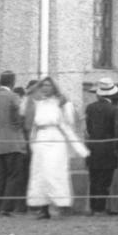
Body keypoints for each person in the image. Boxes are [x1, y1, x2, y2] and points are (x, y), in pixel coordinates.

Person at [23, 76, 87, 218]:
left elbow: (70, 122)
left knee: (55, 172)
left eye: (48, 85)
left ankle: (62, 206)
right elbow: (27, 104)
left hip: (56, 139)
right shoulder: (38, 103)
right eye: (43, 85)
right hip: (41, 139)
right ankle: (43, 208)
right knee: (40, 174)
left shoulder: (61, 102)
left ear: (54, 87)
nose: (46, 88)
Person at [0, 71, 29, 216]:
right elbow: (18, 119)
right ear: (13, 82)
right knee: (13, 175)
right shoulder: (14, 97)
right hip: (13, 142)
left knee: (0, 175)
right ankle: (6, 207)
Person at [83, 78, 118, 215]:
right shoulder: (114, 110)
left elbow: (88, 128)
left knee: (94, 177)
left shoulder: (90, 108)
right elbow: (116, 130)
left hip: (93, 145)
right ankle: (101, 206)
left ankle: (93, 206)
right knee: (105, 178)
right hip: (108, 147)